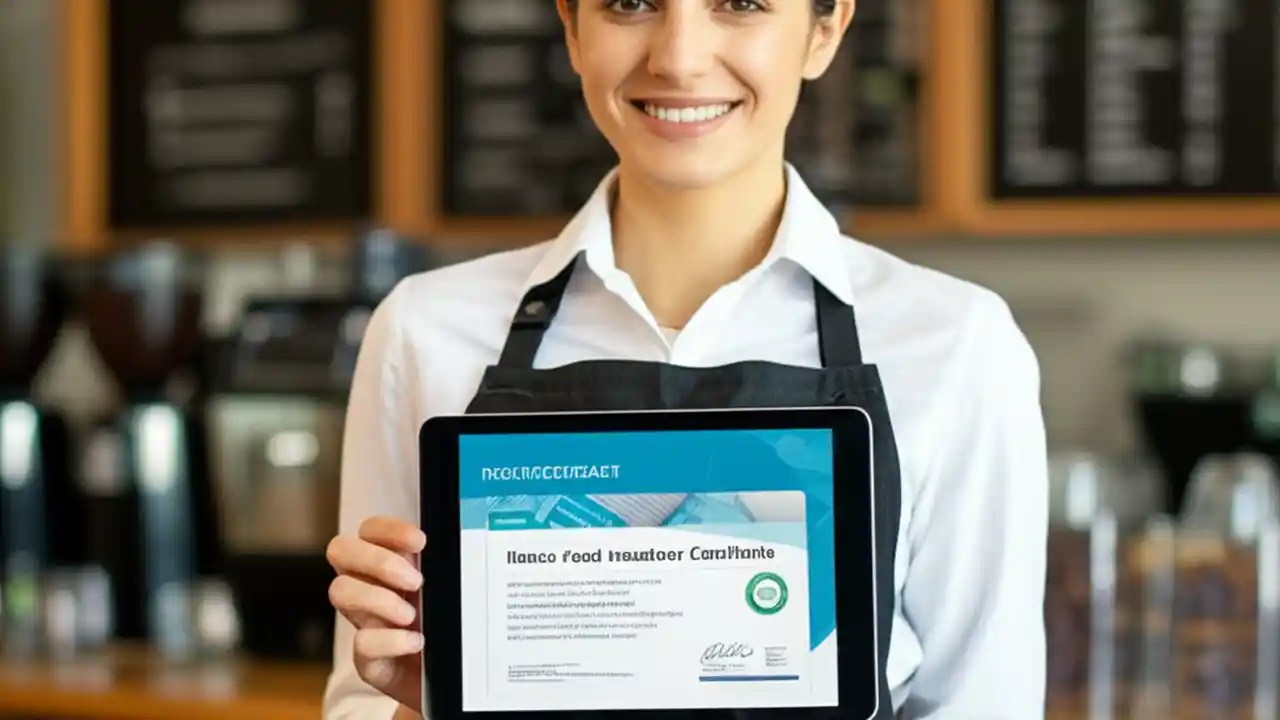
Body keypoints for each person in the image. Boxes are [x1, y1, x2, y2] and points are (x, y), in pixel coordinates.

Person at [323, 0, 1049, 717]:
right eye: (631, 3)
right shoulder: (424, 331)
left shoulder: (957, 346)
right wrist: (424, 704)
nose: (678, 56)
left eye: (740, 3)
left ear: (824, 30)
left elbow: (984, 702)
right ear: (572, 29)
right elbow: (358, 700)